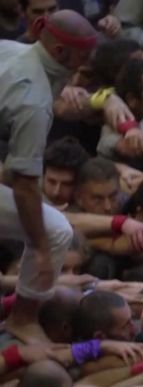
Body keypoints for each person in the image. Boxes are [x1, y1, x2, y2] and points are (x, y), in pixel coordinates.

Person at [0, 10, 94, 344]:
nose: (88, 62)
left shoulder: (10, 49)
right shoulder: (34, 102)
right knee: (55, 231)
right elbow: (25, 187)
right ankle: (23, 319)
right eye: (83, 55)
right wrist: (40, 248)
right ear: (60, 52)